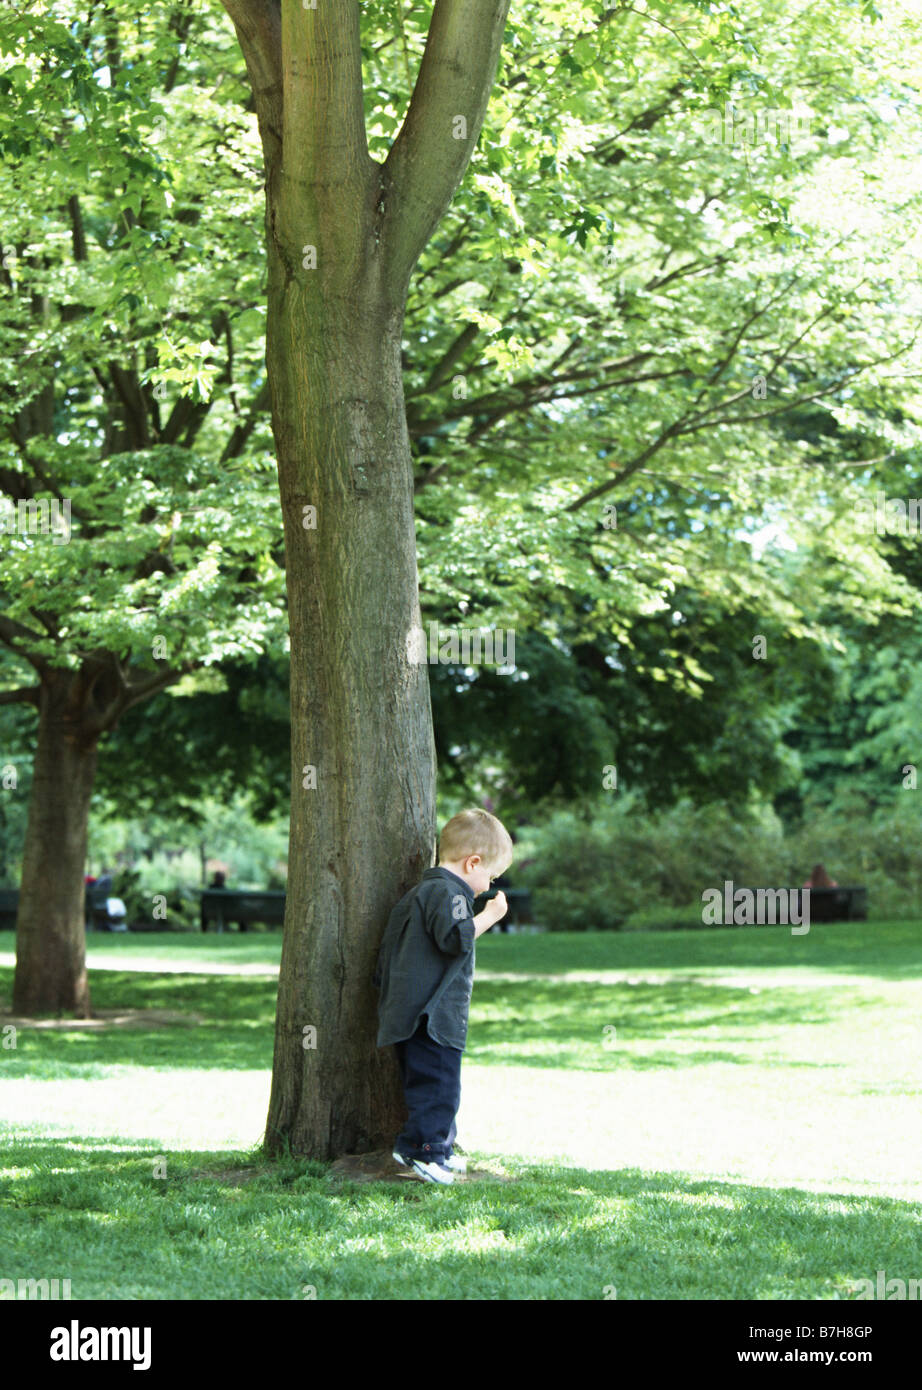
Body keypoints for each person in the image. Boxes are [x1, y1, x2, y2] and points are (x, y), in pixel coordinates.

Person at [372, 807, 513, 1185]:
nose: (488, 886)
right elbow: (455, 938)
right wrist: (491, 915)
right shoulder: (449, 893)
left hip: (413, 1012)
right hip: (431, 1016)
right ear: (473, 862)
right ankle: (425, 1152)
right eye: (490, 876)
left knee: (434, 1084)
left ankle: (439, 1148)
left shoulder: (423, 892)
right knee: (439, 1088)